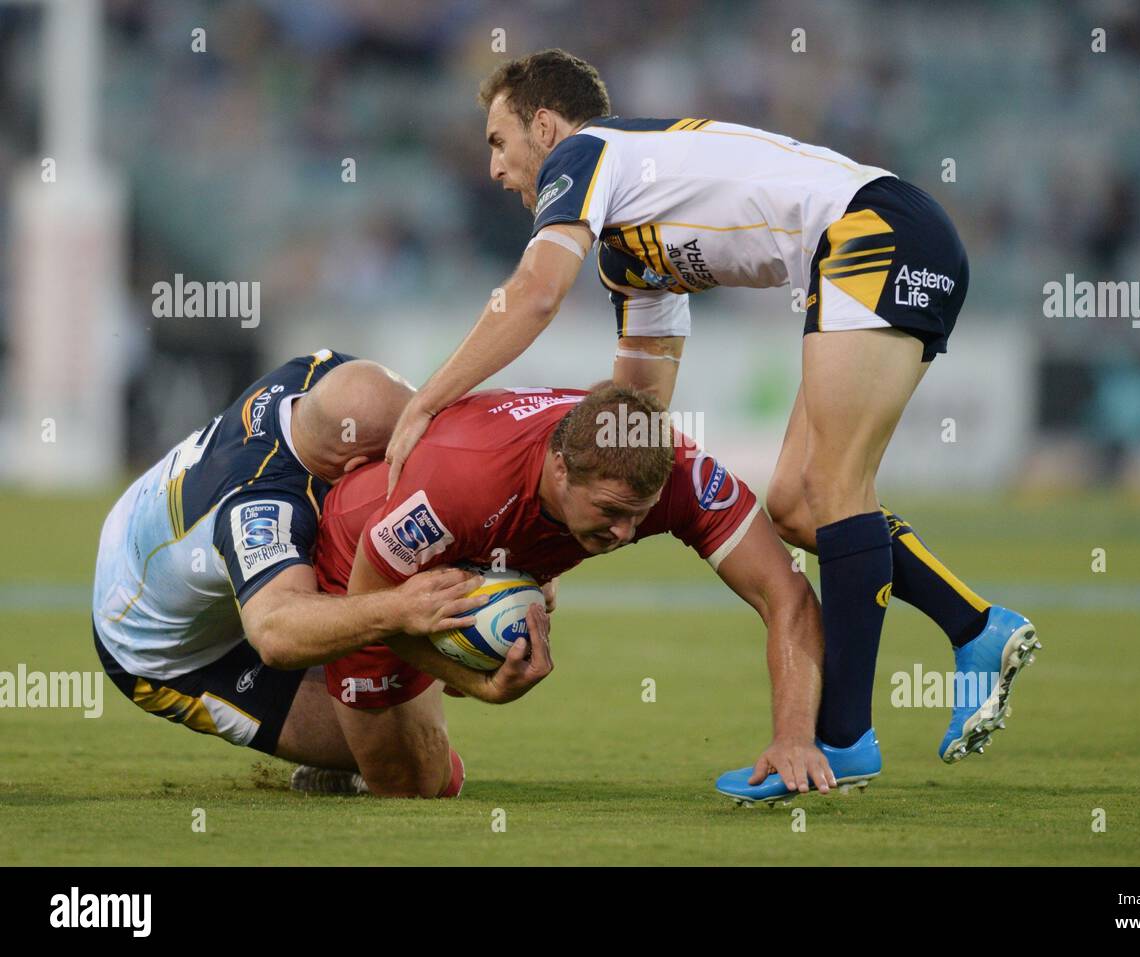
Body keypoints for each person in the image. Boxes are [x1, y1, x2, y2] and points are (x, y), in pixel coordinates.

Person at [383, 50, 1040, 803]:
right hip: (866, 246)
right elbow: (635, 428)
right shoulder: (631, 254)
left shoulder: (585, 152)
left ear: (543, 125)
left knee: (831, 487)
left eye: (498, 142)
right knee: (795, 503)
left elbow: (534, 295)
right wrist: (543, 553)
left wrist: (428, 399)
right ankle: (975, 627)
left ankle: (844, 740)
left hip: (880, 233)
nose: (495, 168)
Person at [312, 384, 834, 799]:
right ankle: (244, 694)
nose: (625, 534)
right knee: (412, 788)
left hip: (483, 550)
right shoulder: (461, 483)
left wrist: (794, 737)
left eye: (640, 514)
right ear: (560, 468)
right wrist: (480, 686)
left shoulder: (678, 473)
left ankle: (358, 725)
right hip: (362, 551)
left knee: (412, 762)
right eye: (609, 511)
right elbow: (375, 611)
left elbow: (785, 595)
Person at [91, 350, 489, 791]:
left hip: (160, 530)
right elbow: (276, 634)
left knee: (375, 552)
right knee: (420, 774)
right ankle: (338, 765)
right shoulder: (262, 513)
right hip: (161, 648)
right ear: (358, 467)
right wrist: (403, 611)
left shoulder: (319, 372)